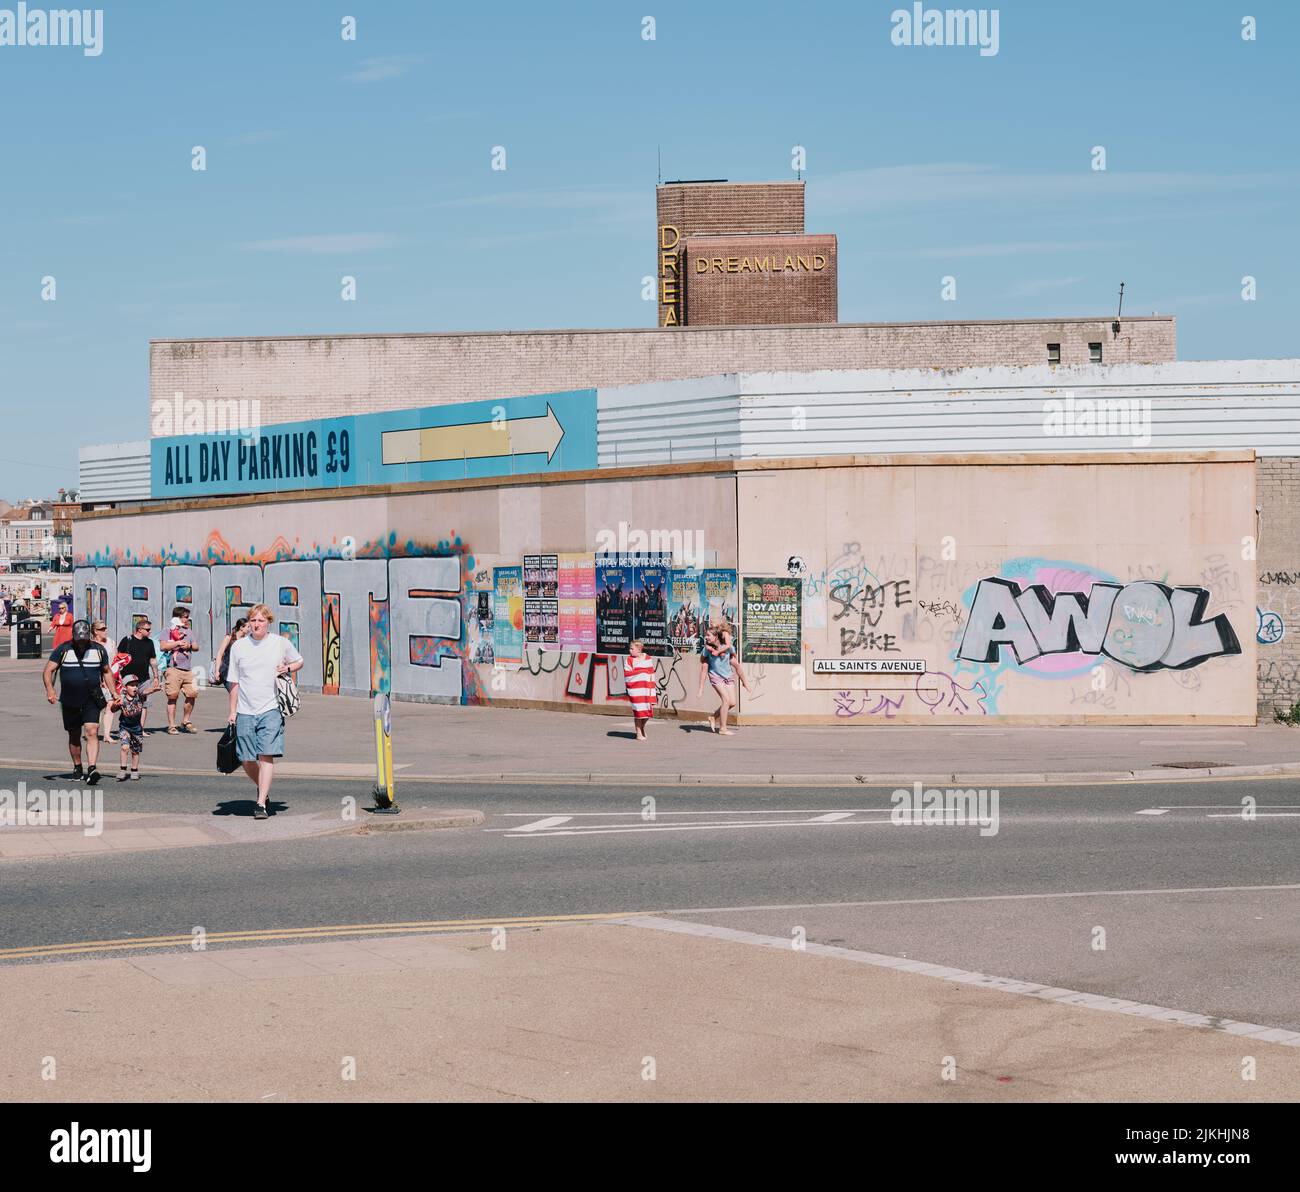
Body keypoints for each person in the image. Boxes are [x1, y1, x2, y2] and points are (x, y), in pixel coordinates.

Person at [227, 604, 304, 820]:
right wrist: (232, 711)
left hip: (271, 708)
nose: (256, 624)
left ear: (268, 622)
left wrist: (287, 668)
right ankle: (264, 789)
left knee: (266, 755)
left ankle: (261, 803)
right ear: (248, 623)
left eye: (261, 620)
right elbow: (234, 681)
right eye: (253, 620)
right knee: (245, 758)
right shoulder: (239, 646)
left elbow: (299, 661)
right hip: (245, 709)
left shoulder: (280, 643)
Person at [42, 618, 111, 784]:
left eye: (84, 640)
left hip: (91, 699)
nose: (81, 643)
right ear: (73, 636)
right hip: (70, 700)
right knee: (74, 735)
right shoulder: (63, 650)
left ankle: (92, 768)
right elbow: (48, 671)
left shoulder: (99, 650)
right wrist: (50, 690)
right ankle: (78, 766)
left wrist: (114, 693)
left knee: (92, 731)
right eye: (78, 640)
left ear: (89, 636)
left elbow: (107, 672)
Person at [696, 626, 744, 736]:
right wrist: (707, 662)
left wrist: (743, 680)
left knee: (732, 702)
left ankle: (713, 717)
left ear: (716, 636)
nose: (706, 637)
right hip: (715, 676)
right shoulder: (707, 648)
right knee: (726, 700)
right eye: (706, 635)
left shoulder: (728, 647)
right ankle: (723, 729)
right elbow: (702, 660)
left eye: (709, 635)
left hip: (727, 676)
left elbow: (735, 660)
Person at [159, 605, 199, 733]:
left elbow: (196, 646)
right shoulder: (167, 630)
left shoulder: (188, 631)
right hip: (173, 668)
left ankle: (186, 721)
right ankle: (172, 725)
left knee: (192, 694)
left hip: (187, 669)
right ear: (178, 618)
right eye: (185, 617)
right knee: (173, 696)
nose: (188, 619)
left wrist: (189, 645)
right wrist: (176, 643)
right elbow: (163, 646)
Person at [117, 617, 159, 730]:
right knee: (125, 703)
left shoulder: (149, 643)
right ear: (139, 629)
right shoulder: (127, 640)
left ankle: (140, 729)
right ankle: (126, 727)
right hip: (128, 679)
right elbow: (118, 657)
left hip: (144, 678)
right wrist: (117, 676)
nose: (150, 632)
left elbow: (153, 660)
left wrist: (155, 677)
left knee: (144, 704)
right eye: (147, 629)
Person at [110, 674, 149, 781]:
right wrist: (115, 704)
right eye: (131, 685)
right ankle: (122, 770)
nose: (135, 688)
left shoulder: (140, 697)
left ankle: (134, 770)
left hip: (137, 728)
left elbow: (146, 692)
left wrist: (154, 689)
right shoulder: (122, 699)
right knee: (125, 747)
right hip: (125, 727)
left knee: (135, 751)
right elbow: (112, 710)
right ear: (125, 687)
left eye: (136, 685)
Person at [624, 639, 657, 741]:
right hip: (635, 690)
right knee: (638, 712)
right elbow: (627, 675)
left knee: (647, 711)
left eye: (632, 648)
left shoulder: (647, 658)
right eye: (630, 648)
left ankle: (642, 727)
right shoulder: (629, 660)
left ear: (639, 649)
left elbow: (651, 674)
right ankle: (638, 733)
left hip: (647, 690)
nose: (630, 650)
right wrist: (642, 673)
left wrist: (652, 690)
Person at [91, 620, 116, 741]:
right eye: (102, 629)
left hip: (109, 677)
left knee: (110, 704)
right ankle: (93, 732)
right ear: (95, 631)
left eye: (105, 628)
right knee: (96, 706)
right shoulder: (90, 644)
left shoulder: (111, 642)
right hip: (94, 678)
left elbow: (114, 661)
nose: (105, 631)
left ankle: (106, 734)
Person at [212, 617, 248, 690]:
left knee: (240, 697)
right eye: (248, 627)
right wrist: (217, 671)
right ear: (241, 627)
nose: (249, 629)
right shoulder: (229, 637)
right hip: (227, 671)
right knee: (235, 694)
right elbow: (220, 654)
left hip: (240, 672)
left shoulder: (246, 640)